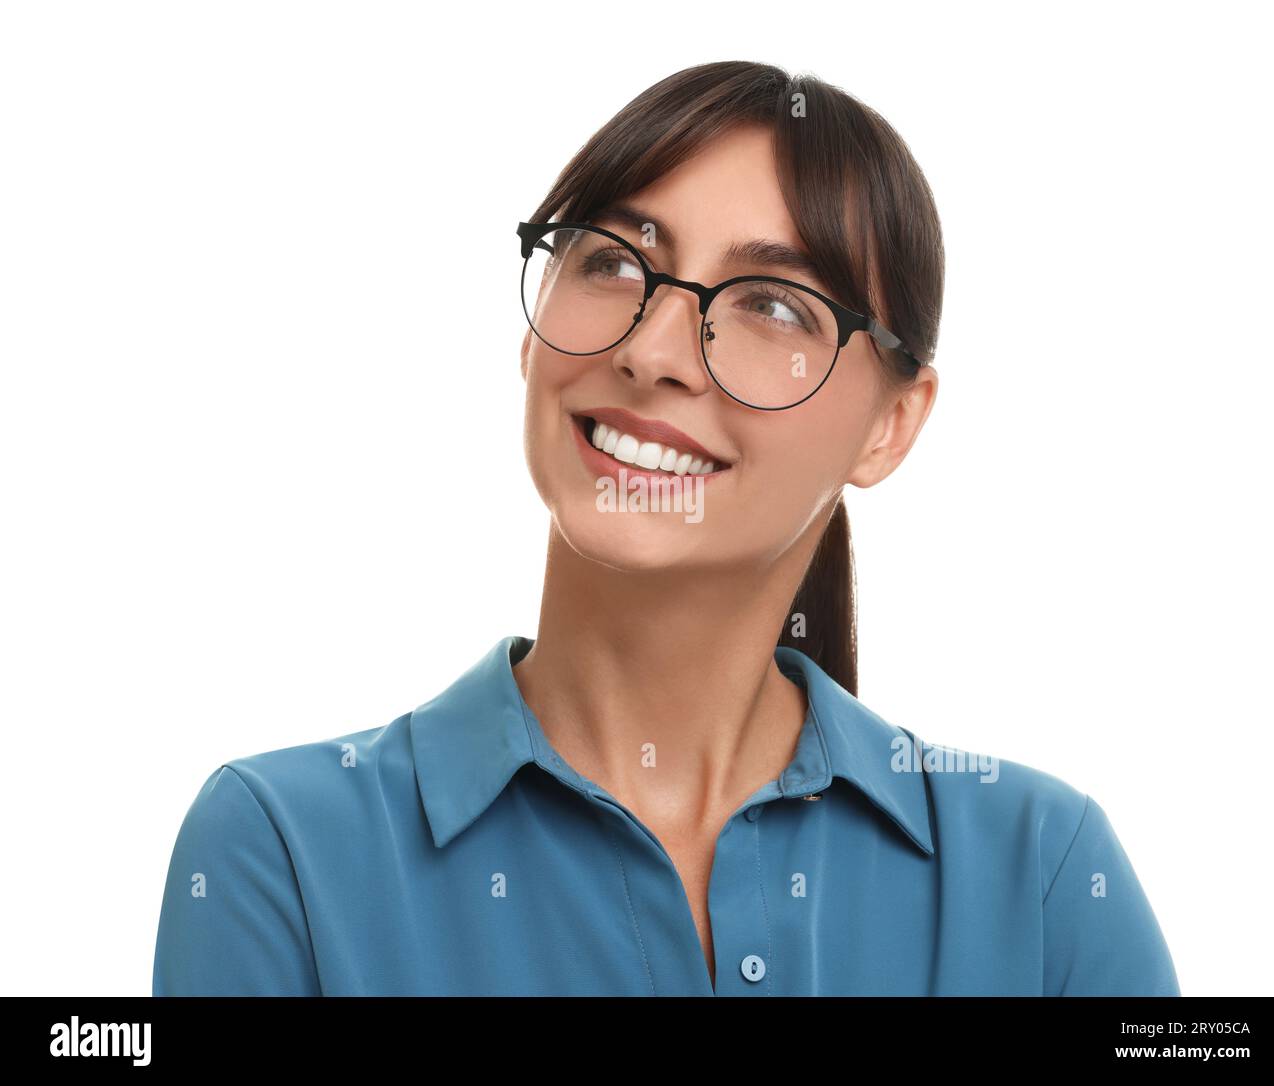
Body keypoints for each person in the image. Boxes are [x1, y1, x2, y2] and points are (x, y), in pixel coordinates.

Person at [152, 60, 1180, 996]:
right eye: (611, 261)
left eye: (773, 305)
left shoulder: (1044, 880)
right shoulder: (282, 851)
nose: (653, 350)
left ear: (890, 426)